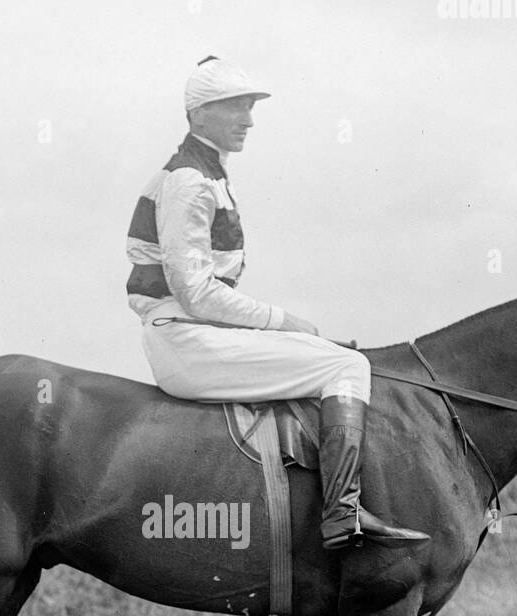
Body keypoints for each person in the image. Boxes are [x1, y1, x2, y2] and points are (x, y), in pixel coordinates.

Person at [126, 56, 428, 550]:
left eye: (250, 108)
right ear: (199, 115)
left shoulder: (209, 173)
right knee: (347, 366)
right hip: (184, 338)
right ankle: (341, 514)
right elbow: (195, 292)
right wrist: (283, 321)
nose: (248, 120)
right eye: (235, 108)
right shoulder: (189, 180)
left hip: (195, 333)